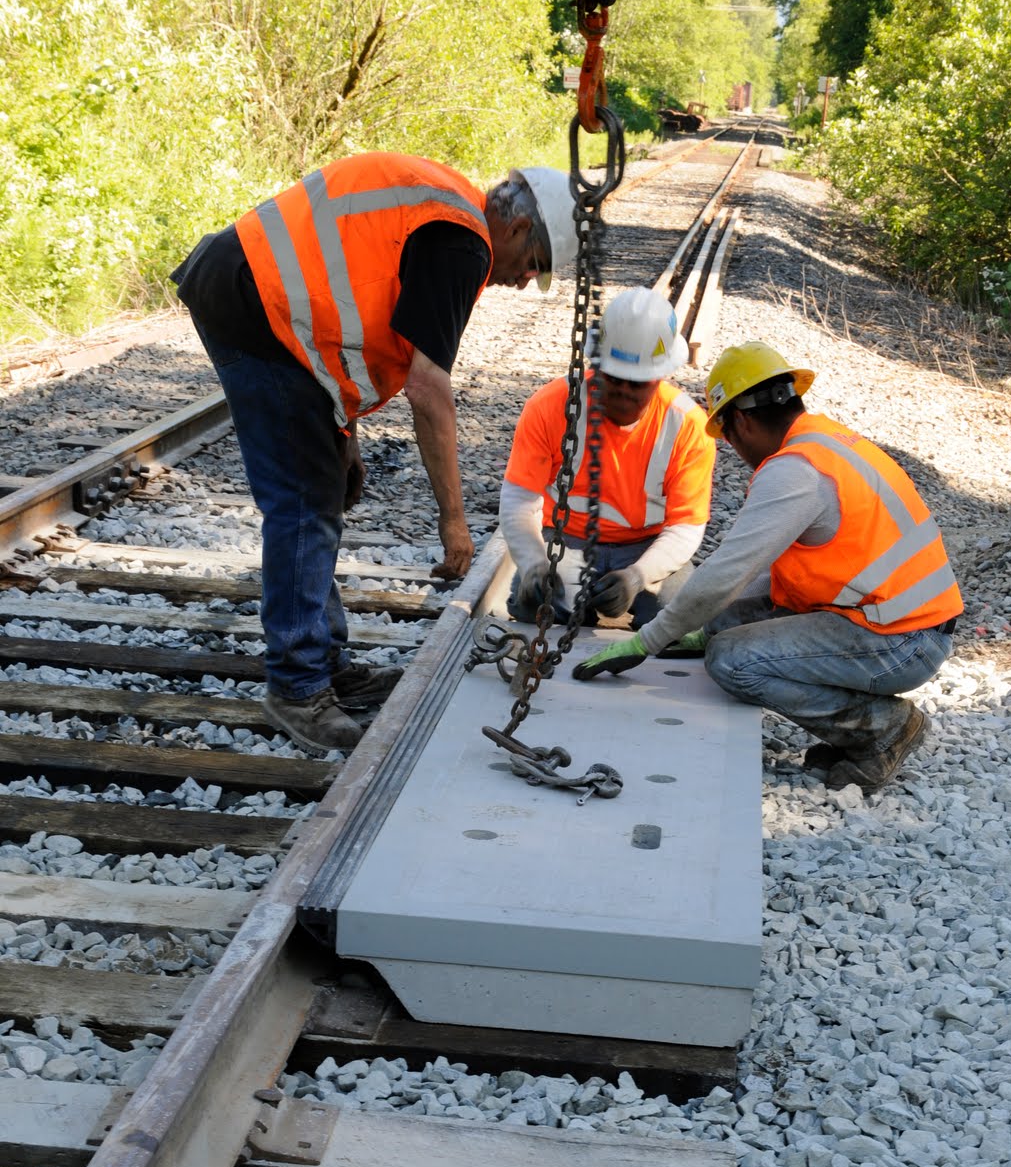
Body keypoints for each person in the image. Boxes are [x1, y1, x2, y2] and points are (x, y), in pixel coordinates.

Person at [172, 156, 577, 753]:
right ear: (518, 230)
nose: (521, 281)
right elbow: (428, 389)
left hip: (258, 296)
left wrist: (345, 433)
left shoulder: (446, 212)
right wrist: (454, 522)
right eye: (532, 266)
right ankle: (297, 685)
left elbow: (341, 310)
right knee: (304, 502)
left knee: (321, 487)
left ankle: (324, 661)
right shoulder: (461, 242)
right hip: (256, 306)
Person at [574, 341, 963, 793]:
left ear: (739, 421)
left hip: (900, 642)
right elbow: (762, 571)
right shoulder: (827, 441)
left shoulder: (795, 471)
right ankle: (865, 725)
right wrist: (704, 624)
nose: (735, 449)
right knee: (717, 622)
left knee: (732, 660)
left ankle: (885, 728)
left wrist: (648, 641)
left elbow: (725, 573)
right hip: (891, 618)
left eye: (730, 436)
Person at [500, 287, 714, 629]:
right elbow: (518, 500)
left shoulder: (688, 426)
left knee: (681, 617)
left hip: (646, 549)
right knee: (536, 607)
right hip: (568, 541)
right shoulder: (550, 407)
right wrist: (534, 565)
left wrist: (637, 576)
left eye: (638, 384)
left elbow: (686, 528)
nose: (624, 394)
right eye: (614, 380)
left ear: (661, 376)